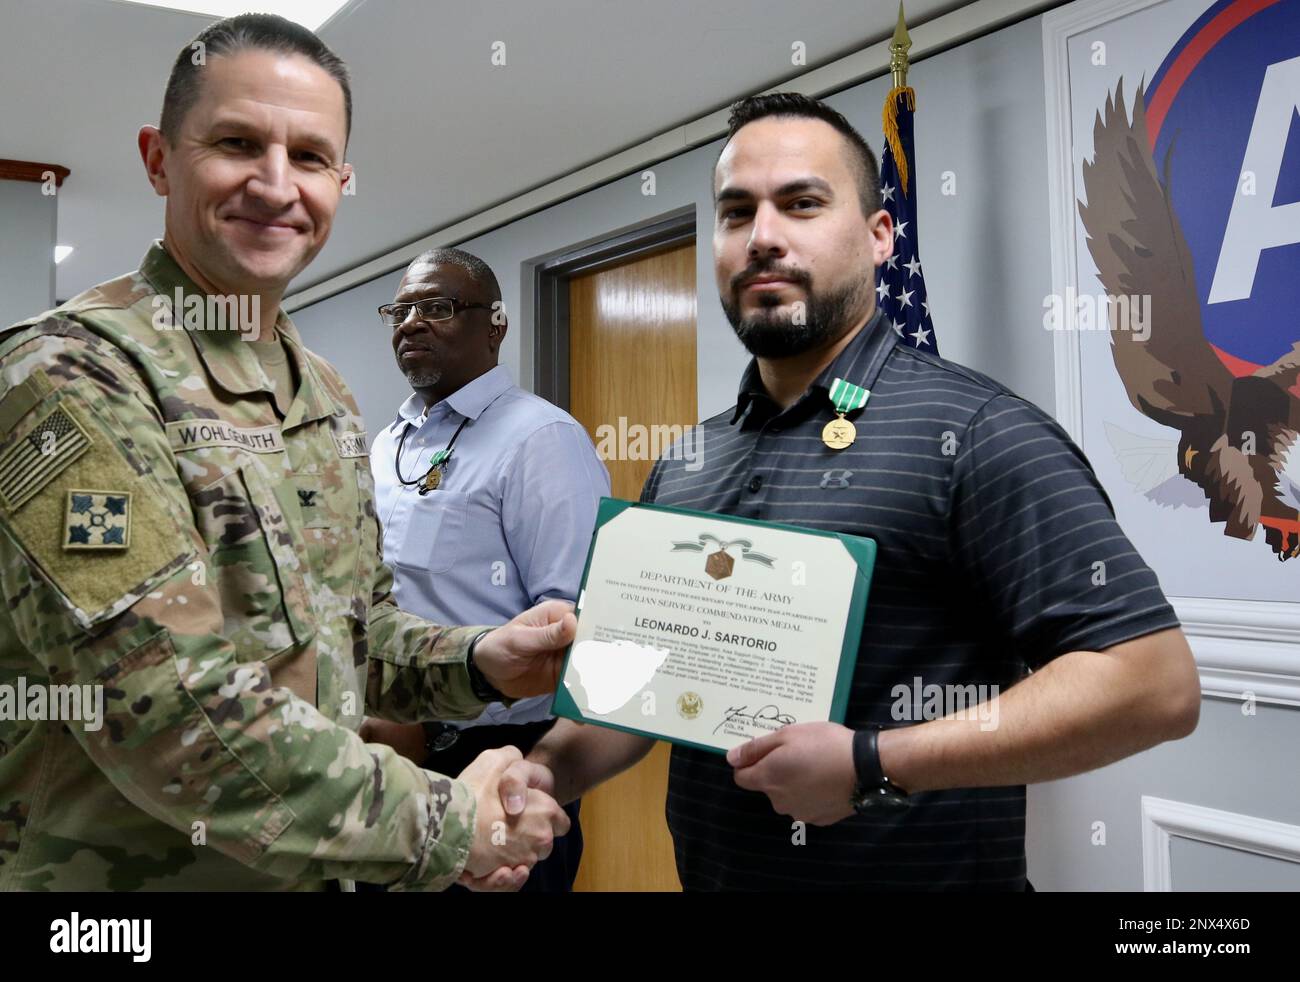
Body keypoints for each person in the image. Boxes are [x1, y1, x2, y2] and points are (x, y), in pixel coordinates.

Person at [481, 92, 1202, 891]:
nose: (762, 236)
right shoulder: (688, 461)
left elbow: (1151, 683)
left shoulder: (976, 432)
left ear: (879, 235)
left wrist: (871, 763)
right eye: (736, 213)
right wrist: (545, 771)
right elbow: (636, 690)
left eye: (802, 204)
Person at [0, 13, 568, 893]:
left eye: (309, 157)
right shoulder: (70, 374)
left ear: (341, 180)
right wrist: (452, 822)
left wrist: (479, 658)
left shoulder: (322, 392)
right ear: (158, 158)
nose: (275, 185)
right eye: (236, 144)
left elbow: (351, 637)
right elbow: (164, 709)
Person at [361, 248, 609, 891]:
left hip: (498, 759)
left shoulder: (541, 439)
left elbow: (575, 624)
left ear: (495, 325)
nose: (411, 323)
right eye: (400, 310)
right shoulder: (388, 443)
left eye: (437, 307)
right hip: (387, 752)